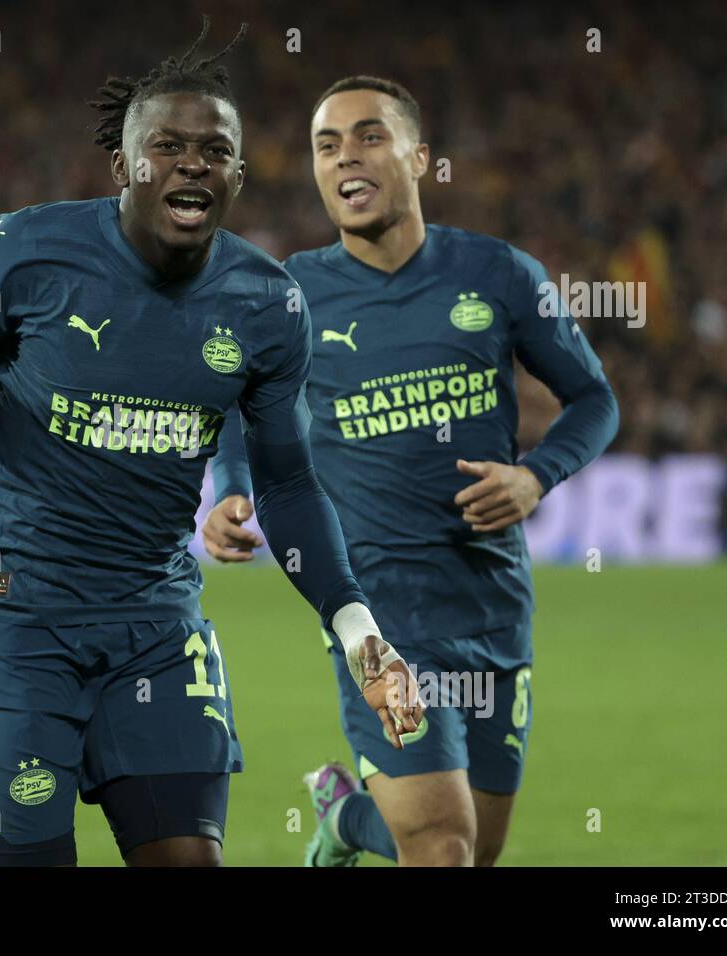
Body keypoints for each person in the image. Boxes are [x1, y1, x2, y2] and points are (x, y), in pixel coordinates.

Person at [0, 23, 422, 867]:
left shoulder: (267, 304)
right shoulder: (21, 255)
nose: (193, 162)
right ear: (124, 165)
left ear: (237, 173)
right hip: (17, 626)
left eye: (215, 150)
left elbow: (290, 487)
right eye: (167, 145)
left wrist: (359, 633)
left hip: (157, 626)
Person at [203, 75, 619, 867]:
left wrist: (537, 477)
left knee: (475, 851)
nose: (344, 158)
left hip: (492, 609)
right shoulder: (286, 295)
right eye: (326, 146)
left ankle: (344, 820)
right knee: (441, 851)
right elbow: (235, 405)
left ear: (419, 157)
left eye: (367, 136)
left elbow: (594, 399)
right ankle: (366, 819)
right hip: (376, 614)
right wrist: (229, 490)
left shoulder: (498, 275)